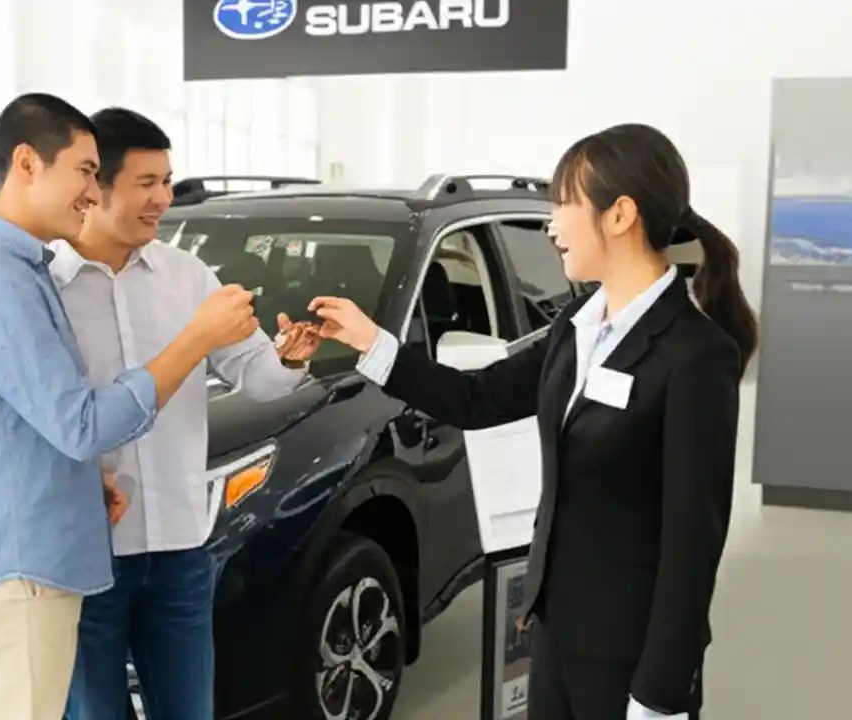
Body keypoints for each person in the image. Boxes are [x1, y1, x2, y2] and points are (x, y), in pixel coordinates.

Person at [310, 123, 757, 720]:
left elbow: (692, 544)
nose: (551, 224)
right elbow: (477, 399)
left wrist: (662, 691)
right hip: (556, 630)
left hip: (631, 651)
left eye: (564, 203)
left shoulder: (695, 355)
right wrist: (373, 343)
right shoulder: (579, 325)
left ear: (620, 214)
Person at [0, 93, 260, 720]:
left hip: (71, 557)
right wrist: (195, 340)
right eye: (85, 171)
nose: (89, 192)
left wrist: (84, 484)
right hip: (24, 573)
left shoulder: (18, 272)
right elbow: (80, 423)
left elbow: (24, 423)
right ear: (28, 163)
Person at [50, 107, 320, 720]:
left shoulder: (187, 275)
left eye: (167, 182)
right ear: (96, 188)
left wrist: (290, 359)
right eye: (146, 184)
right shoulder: (48, 287)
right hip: (84, 555)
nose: (163, 200)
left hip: (178, 548)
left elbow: (257, 374)